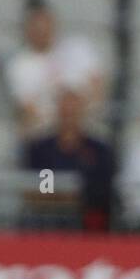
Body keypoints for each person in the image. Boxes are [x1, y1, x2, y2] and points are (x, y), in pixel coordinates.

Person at [24, 90, 116, 232]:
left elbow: (103, 189)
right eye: (65, 111)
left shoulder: (98, 150)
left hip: (88, 224)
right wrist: (65, 195)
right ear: (58, 112)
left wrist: (76, 194)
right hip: (47, 222)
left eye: (74, 111)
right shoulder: (41, 149)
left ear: (82, 112)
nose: (69, 116)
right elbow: (39, 187)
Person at [5, 4, 105, 135]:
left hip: (86, 128)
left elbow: (98, 87)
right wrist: (66, 118)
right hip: (47, 135)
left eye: (45, 26)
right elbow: (29, 109)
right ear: (28, 31)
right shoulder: (19, 65)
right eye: (37, 28)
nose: (42, 32)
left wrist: (77, 114)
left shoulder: (79, 48)